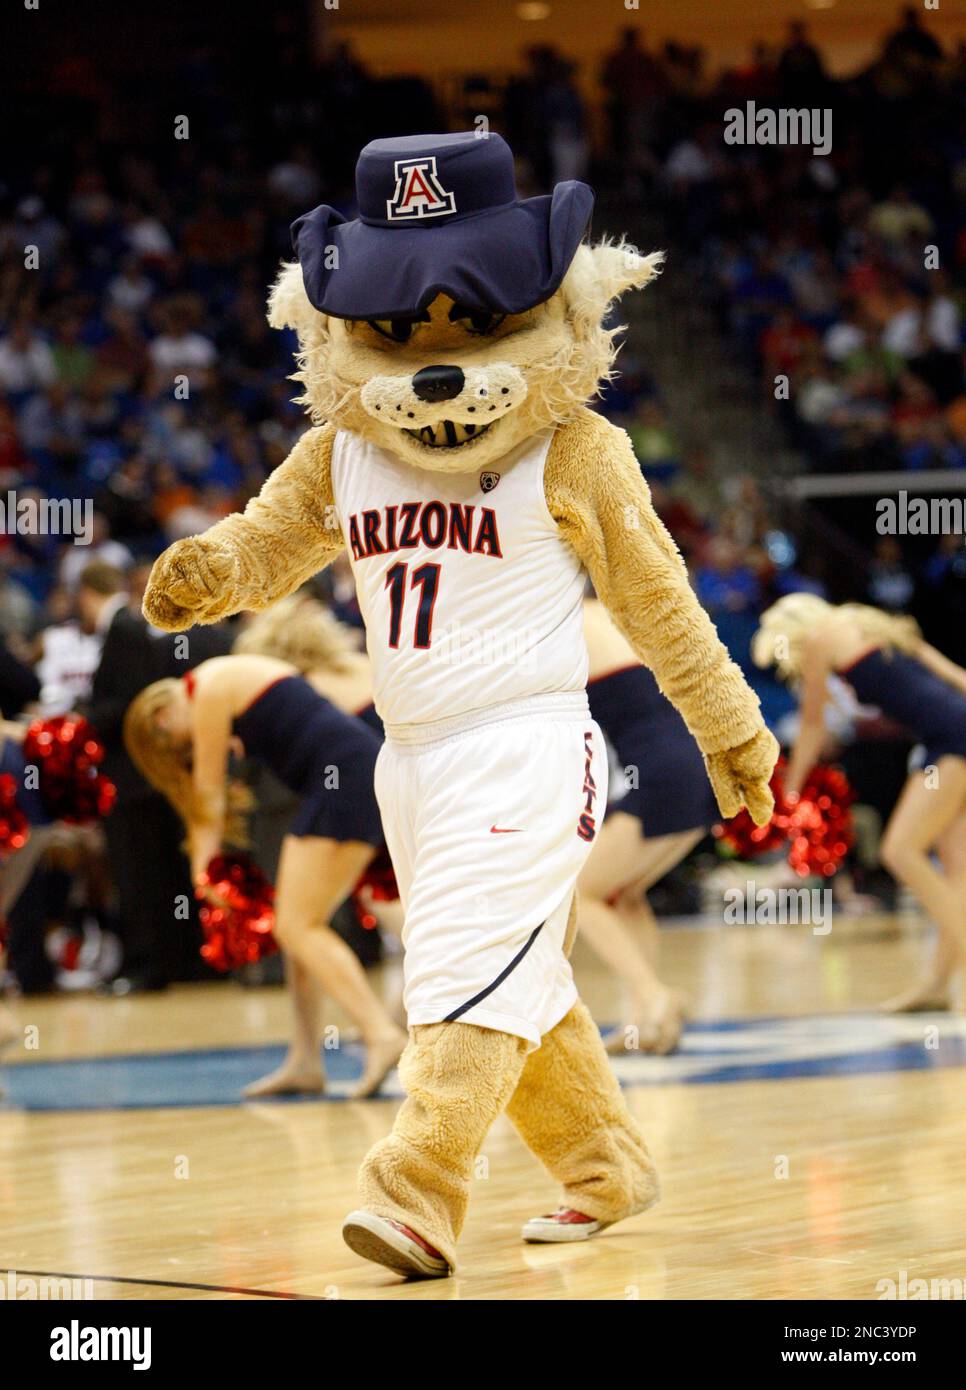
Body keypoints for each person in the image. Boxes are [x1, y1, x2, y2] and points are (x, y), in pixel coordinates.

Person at [123, 651, 406, 1097]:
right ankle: (306, 1060)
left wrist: (204, 871)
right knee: (296, 932)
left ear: (161, 718)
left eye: (179, 745)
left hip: (345, 778)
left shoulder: (208, 689)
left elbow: (208, 798)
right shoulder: (222, 682)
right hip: (347, 774)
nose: (189, 749)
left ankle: (381, 1033)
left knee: (296, 927)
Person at [753, 593, 966, 1011]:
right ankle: (938, 983)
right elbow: (956, 675)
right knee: (956, 868)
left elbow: (813, 729)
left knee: (900, 850)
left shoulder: (819, 641)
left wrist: (789, 792)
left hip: (950, 741)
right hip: (954, 732)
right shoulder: (874, 626)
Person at [577, 598, 719, 1054]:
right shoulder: (617, 613)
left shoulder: (562, 620)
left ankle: (655, 995)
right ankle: (645, 1020)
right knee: (625, 893)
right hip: (692, 766)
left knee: (582, 893)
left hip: (661, 772)